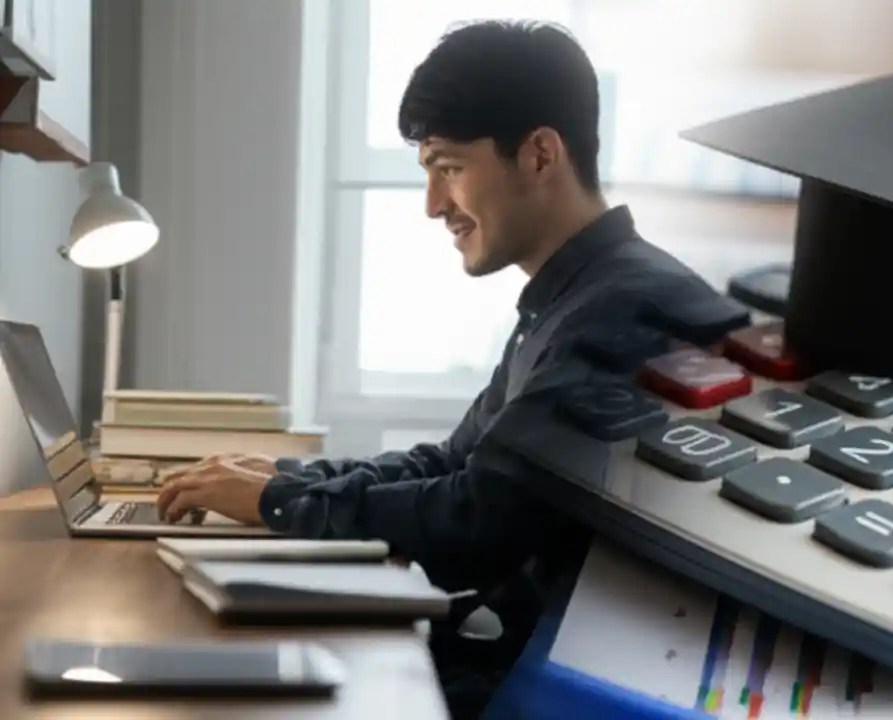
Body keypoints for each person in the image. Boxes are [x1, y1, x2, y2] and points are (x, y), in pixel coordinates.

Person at [155, 18, 725, 716]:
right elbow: (455, 462)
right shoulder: (572, 299)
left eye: (448, 168)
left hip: (548, 686)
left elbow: (477, 524)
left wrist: (281, 505)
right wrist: (287, 478)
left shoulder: (626, 308)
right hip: (510, 653)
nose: (433, 207)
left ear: (540, 154)